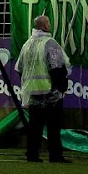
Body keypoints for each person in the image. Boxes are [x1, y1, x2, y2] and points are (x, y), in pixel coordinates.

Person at [14, 14, 70, 164]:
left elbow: (19, 68)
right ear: (45, 26)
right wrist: (62, 86)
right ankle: (55, 155)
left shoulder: (27, 44)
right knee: (53, 127)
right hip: (50, 92)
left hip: (32, 93)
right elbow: (57, 67)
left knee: (34, 128)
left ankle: (32, 155)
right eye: (49, 23)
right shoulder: (50, 43)